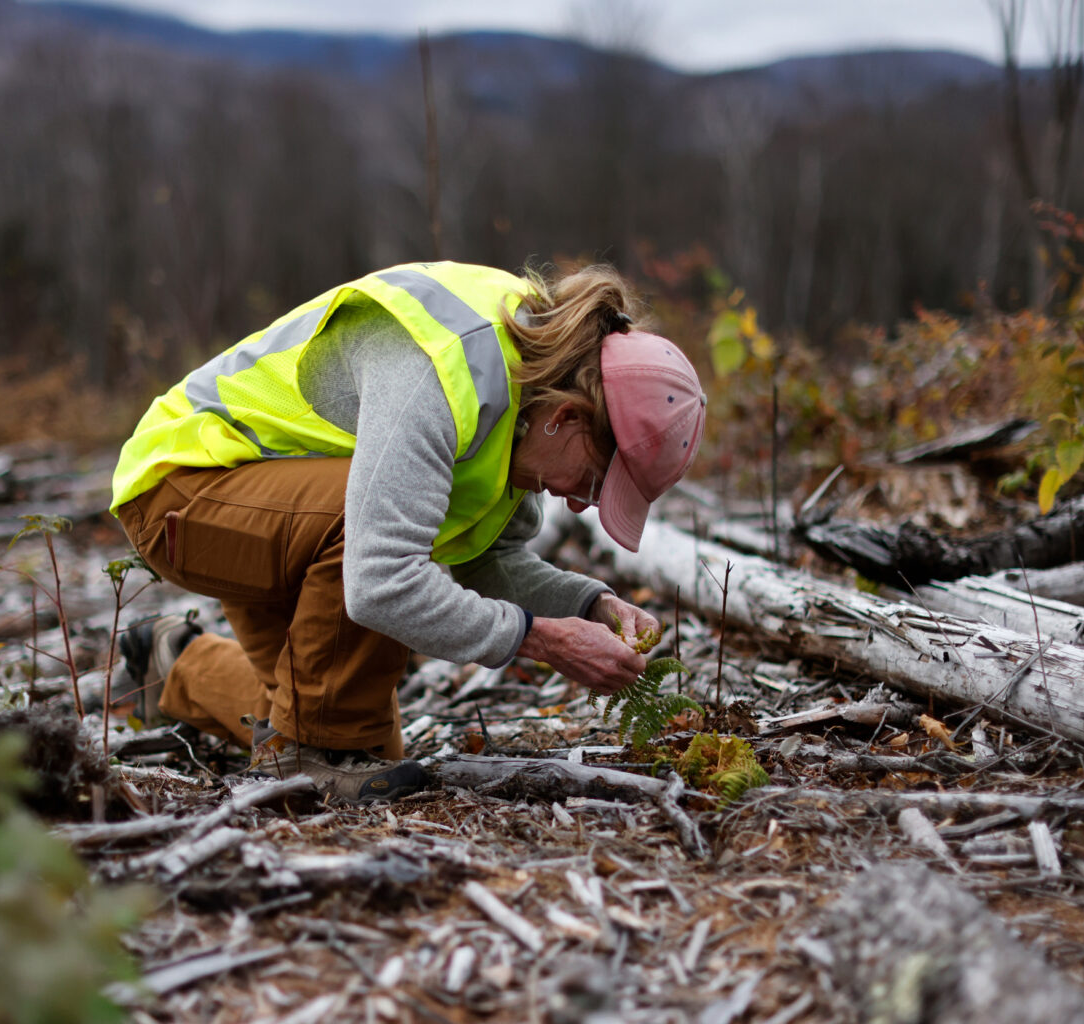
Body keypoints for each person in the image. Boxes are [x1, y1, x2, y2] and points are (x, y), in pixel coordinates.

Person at [109, 260, 706, 802]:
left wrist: (589, 604)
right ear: (568, 418)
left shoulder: (532, 405)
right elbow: (380, 582)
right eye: (596, 481)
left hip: (284, 515)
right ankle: (304, 760)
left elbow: (490, 563)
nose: (580, 505)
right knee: (335, 732)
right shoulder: (447, 372)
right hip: (184, 486)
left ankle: (174, 662)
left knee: (368, 744)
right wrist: (544, 640)